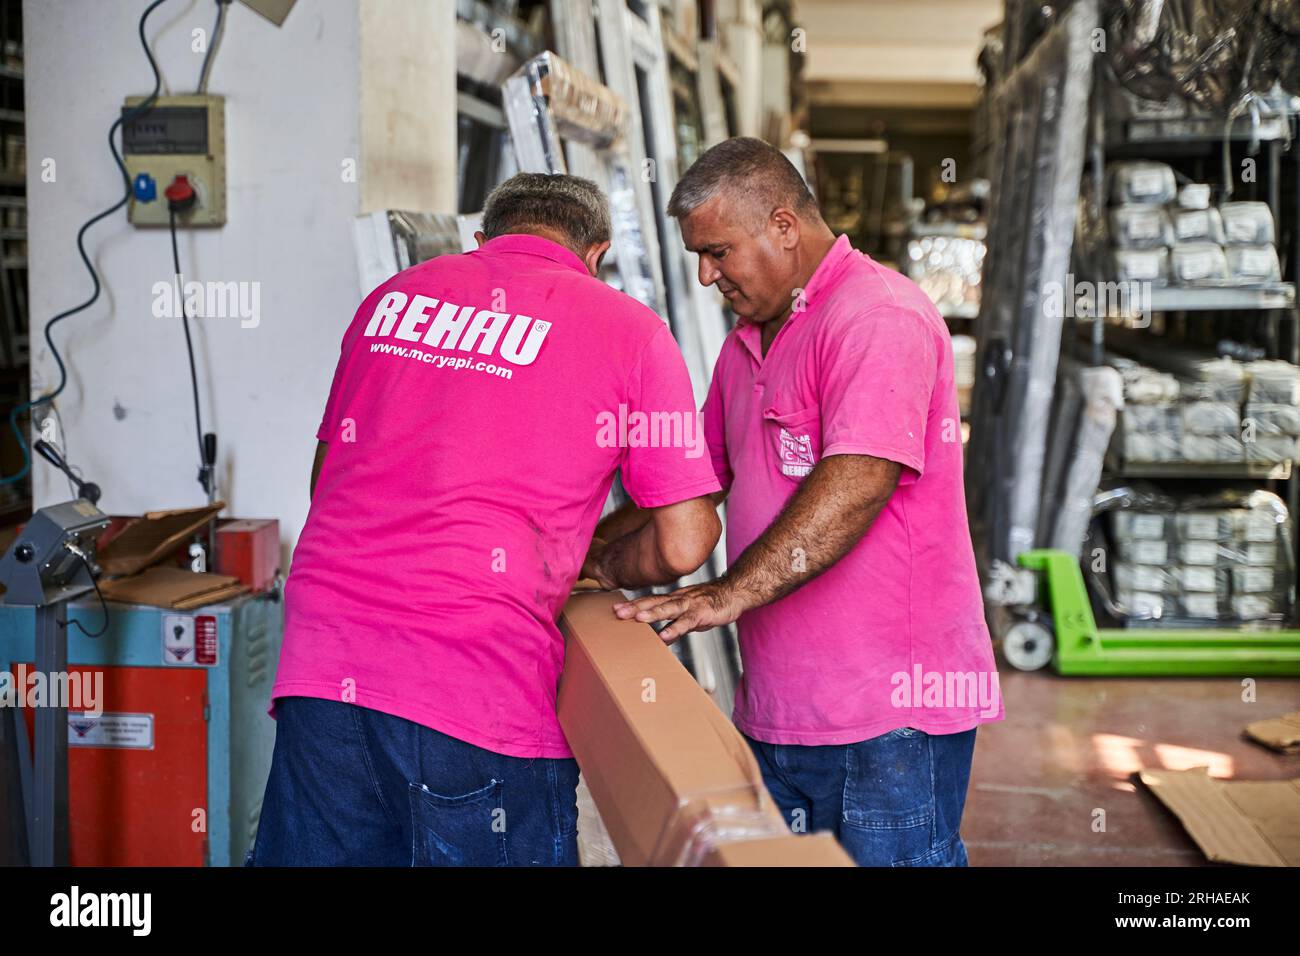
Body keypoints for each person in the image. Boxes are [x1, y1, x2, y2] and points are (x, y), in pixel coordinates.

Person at [254, 172, 721, 866]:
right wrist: (594, 562)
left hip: (325, 658)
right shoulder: (631, 332)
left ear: (482, 239)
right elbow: (684, 542)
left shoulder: (392, 299)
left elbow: (329, 482)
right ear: (597, 253)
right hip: (475, 678)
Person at [587, 138, 1003, 867]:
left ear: (783, 225)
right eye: (698, 255)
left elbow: (858, 481)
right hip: (780, 708)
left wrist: (726, 592)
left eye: (717, 251)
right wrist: (589, 558)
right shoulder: (746, 344)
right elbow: (690, 487)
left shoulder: (876, 316)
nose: (706, 275)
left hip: (887, 715)